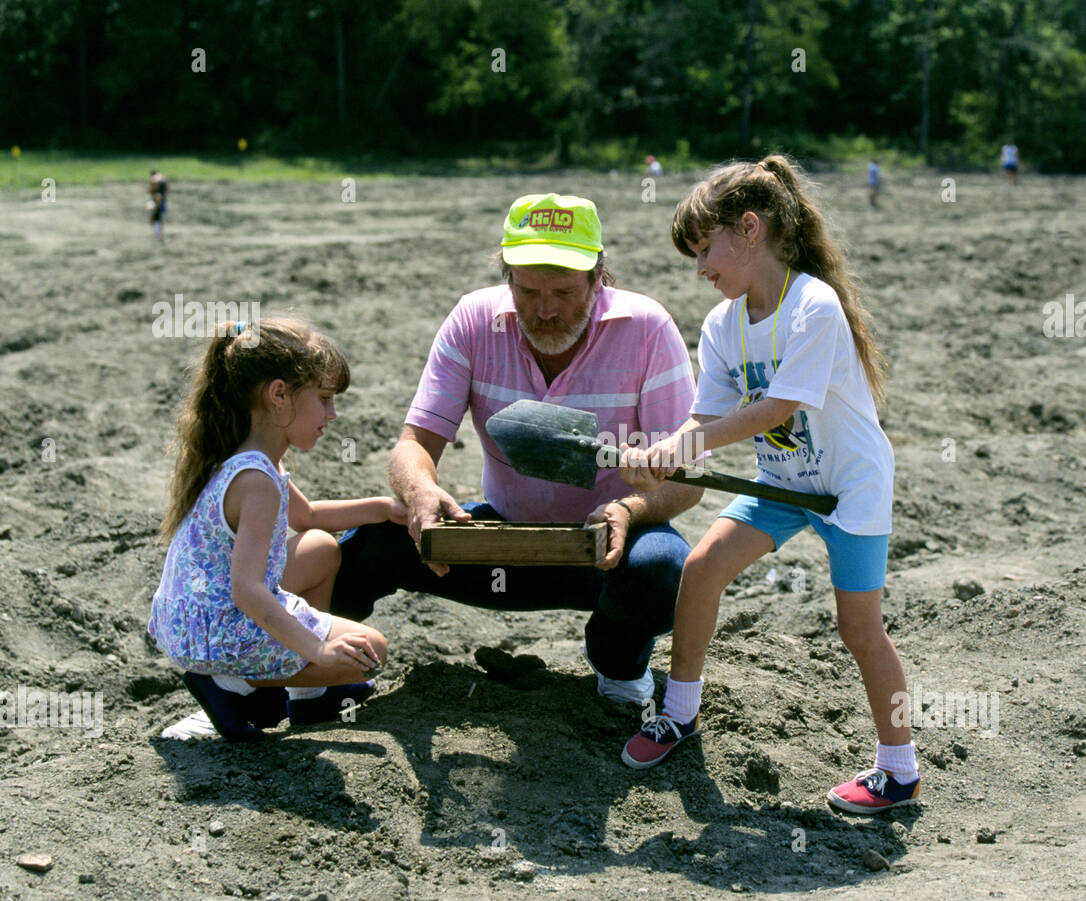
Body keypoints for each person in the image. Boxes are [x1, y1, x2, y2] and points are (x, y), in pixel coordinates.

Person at [617, 154, 920, 815]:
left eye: (705, 251)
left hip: (851, 487)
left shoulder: (813, 305)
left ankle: (898, 770)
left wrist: (683, 446)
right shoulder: (723, 325)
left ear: (748, 229)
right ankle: (681, 713)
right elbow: (705, 417)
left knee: (859, 628)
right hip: (782, 482)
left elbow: (775, 408)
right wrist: (660, 455)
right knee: (701, 567)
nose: (700, 269)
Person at [329, 193, 701, 705]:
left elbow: (686, 479)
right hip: (499, 536)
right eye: (528, 290)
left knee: (667, 571)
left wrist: (629, 509)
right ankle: (323, 671)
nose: (545, 310)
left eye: (563, 291)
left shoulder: (648, 328)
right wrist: (420, 491)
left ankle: (616, 662)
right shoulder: (475, 320)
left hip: (606, 548)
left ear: (598, 278)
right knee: (357, 548)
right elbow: (413, 444)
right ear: (507, 277)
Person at [148, 317, 407, 741]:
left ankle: (310, 695)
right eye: (324, 399)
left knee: (321, 549)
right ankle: (230, 686)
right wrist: (316, 649)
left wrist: (382, 508)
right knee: (369, 651)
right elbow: (247, 591)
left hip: (196, 616)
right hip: (218, 629)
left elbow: (306, 519)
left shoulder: (246, 454)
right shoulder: (257, 483)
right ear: (279, 395)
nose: (333, 414)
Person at [148, 169, 168, 241]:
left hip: (157, 201)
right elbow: (167, 189)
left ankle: (158, 236)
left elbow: (151, 190)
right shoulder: (163, 178)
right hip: (162, 201)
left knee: (154, 218)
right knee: (160, 220)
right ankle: (160, 235)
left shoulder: (154, 179)